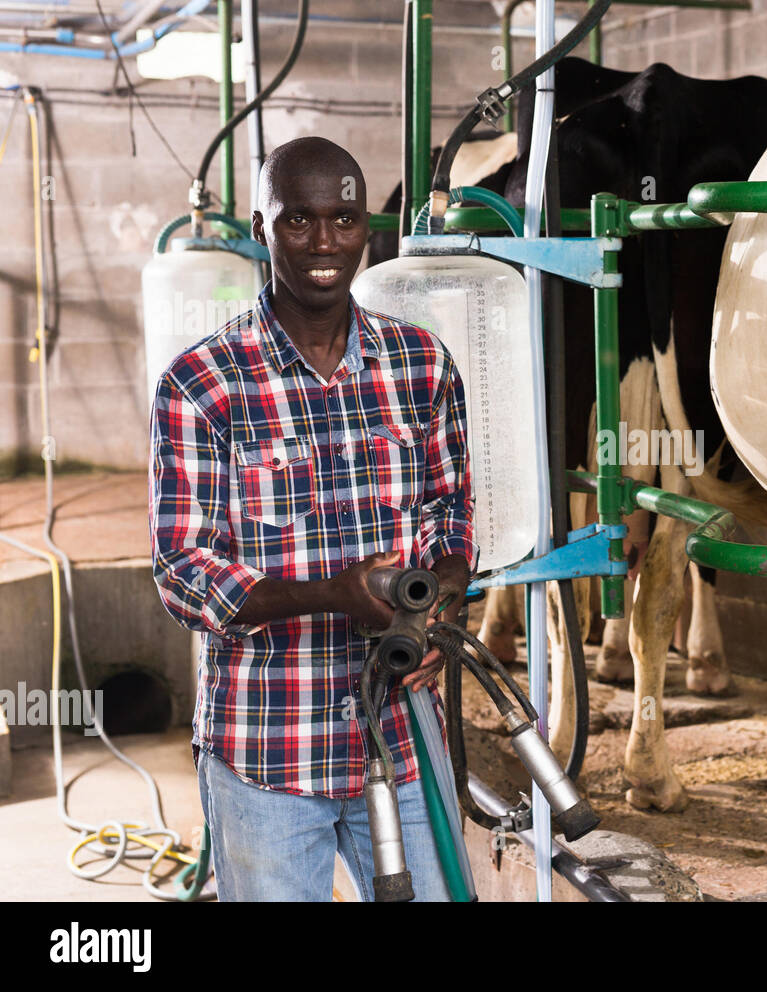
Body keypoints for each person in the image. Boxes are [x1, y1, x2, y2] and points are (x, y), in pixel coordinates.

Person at [148, 136, 474, 901]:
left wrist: (444, 602)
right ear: (260, 230)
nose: (325, 243)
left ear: (367, 226)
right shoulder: (202, 385)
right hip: (266, 749)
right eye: (298, 220)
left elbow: (447, 514)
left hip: (401, 731)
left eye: (344, 218)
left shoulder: (422, 364)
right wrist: (332, 594)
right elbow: (184, 572)